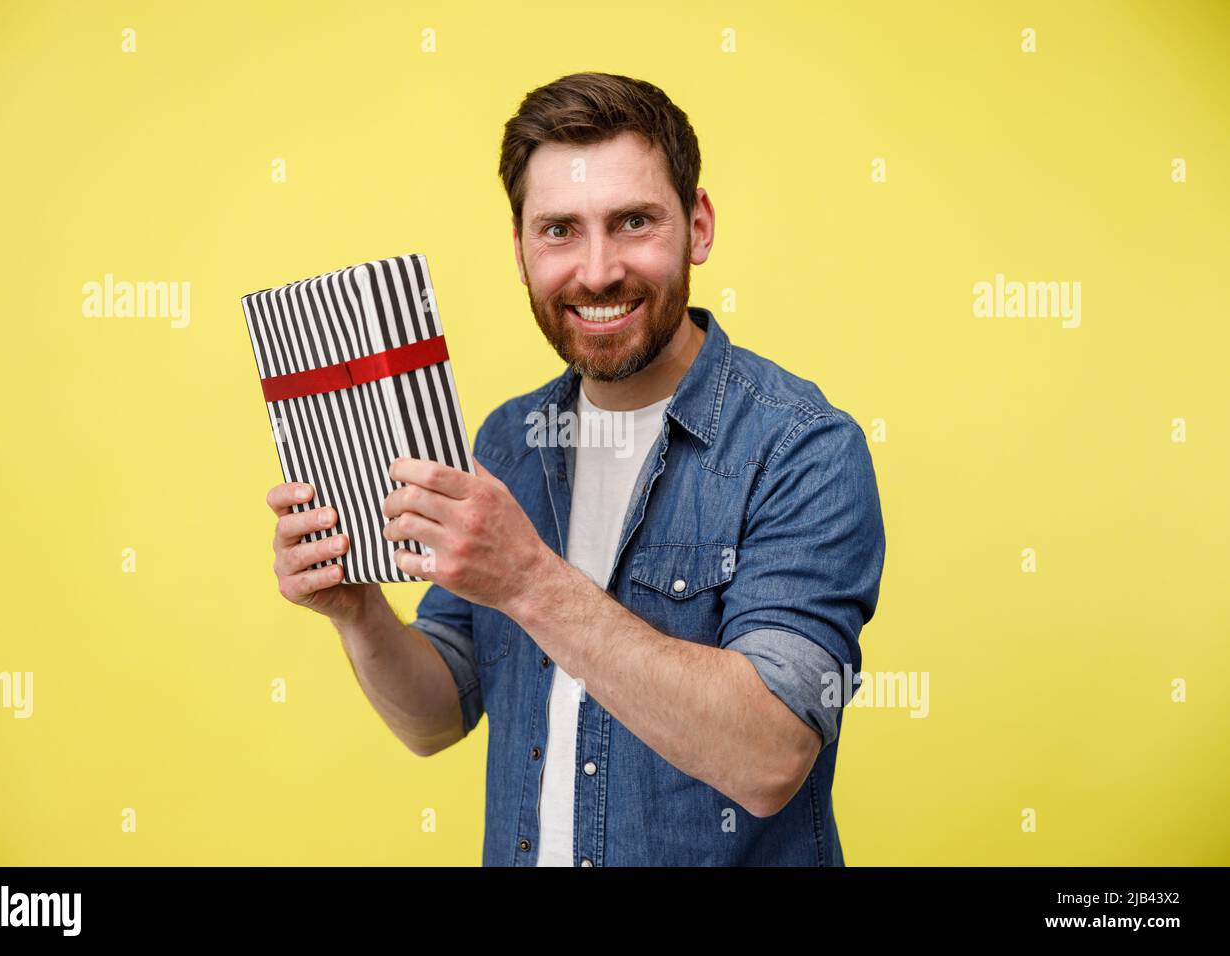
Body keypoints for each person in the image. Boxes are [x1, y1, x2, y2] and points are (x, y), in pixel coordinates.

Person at [266, 72, 886, 866]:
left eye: (633, 222)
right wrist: (357, 613)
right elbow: (436, 717)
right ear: (520, 252)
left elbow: (769, 757)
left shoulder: (802, 449)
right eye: (559, 230)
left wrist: (527, 580)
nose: (596, 272)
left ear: (697, 228)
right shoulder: (506, 444)